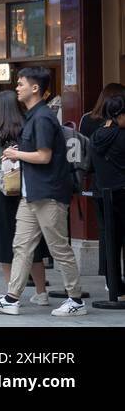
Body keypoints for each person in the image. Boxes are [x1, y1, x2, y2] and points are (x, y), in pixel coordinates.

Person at [0, 67, 88, 317]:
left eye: (20, 84)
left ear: (35, 88)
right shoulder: (33, 116)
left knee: (58, 247)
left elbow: (44, 156)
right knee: (21, 246)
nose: (16, 87)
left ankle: (75, 299)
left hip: (48, 193)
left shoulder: (42, 117)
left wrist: (16, 153)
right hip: (32, 194)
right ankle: (11, 297)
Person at [0, 90, 49, 304]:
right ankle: (41, 292)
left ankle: (12, 292)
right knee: (31, 240)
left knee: (4, 239)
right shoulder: (28, 128)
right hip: (28, 188)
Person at [82, 83, 125, 280]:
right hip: (120, 190)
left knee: (108, 235)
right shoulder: (121, 135)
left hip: (100, 188)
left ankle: (111, 281)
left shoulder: (95, 133)